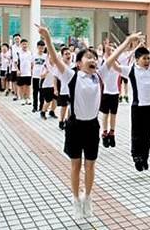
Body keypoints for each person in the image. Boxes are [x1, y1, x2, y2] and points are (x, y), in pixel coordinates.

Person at [38, 24, 111, 219]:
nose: (93, 60)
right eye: (89, 57)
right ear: (79, 63)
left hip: (92, 126)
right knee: (75, 165)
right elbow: (54, 58)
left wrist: (127, 43)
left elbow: (111, 60)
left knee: (90, 165)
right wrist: (47, 38)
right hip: (74, 126)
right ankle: (75, 200)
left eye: (95, 57)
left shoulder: (98, 76)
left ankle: (88, 198)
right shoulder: (72, 76)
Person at [107, 33, 150, 172]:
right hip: (138, 107)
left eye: (148, 58)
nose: (147, 61)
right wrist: (111, 52)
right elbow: (113, 65)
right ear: (137, 59)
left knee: (147, 135)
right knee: (137, 134)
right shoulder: (131, 70)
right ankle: (136, 156)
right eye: (144, 58)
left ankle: (145, 157)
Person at [99, 44, 121, 148]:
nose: (111, 52)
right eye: (109, 50)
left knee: (113, 114)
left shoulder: (117, 63)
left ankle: (112, 134)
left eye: (113, 50)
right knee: (105, 114)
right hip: (105, 92)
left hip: (115, 92)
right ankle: (104, 133)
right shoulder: (103, 63)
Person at [57, 47, 73, 129]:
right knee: (64, 106)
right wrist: (56, 89)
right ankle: (61, 121)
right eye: (66, 54)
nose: (68, 55)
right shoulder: (61, 66)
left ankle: (68, 121)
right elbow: (56, 77)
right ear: (62, 56)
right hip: (64, 90)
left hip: (72, 91)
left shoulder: (74, 65)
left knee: (71, 107)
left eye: (69, 53)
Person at [39, 55, 59, 120]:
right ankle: (43, 112)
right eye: (51, 58)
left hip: (55, 86)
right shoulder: (45, 66)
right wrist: (46, 72)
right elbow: (41, 76)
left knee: (55, 100)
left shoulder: (57, 66)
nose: (52, 59)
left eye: (54, 58)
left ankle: (52, 112)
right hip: (46, 86)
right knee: (48, 101)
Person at [32, 40, 47, 112]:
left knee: (42, 93)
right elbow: (31, 65)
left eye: (43, 47)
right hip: (35, 76)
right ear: (37, 47)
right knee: (35, 92)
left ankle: (41, 107)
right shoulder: (34, 55)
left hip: (43, 77)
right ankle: (35, 107)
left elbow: (47, 66)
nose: (41, 49)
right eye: (40, 47)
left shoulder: (46, 56)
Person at [17, 39, 33, 105]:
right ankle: (22, 98)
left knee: (28, 86)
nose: (24, 45)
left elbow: (32, 63)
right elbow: (15, 63)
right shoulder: (18, 53)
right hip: (21, 72)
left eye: (25, 44)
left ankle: (28, 98)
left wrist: (32, 70)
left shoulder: (30, 53)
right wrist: (17, 70)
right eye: (23, 44)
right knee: (21, 86)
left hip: (28, 72)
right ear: (21, 45)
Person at [10, 33, 22, 100]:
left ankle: (21, 95)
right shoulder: (12, 47)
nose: (17, 40)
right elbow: (10, 57)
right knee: (14, 81)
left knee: (20, 81)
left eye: (18, 38)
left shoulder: (22, 46)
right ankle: (15, 94)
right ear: (14, 40)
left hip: (21, 67)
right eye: (15, 39)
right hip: (14, 67)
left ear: (20, 38)